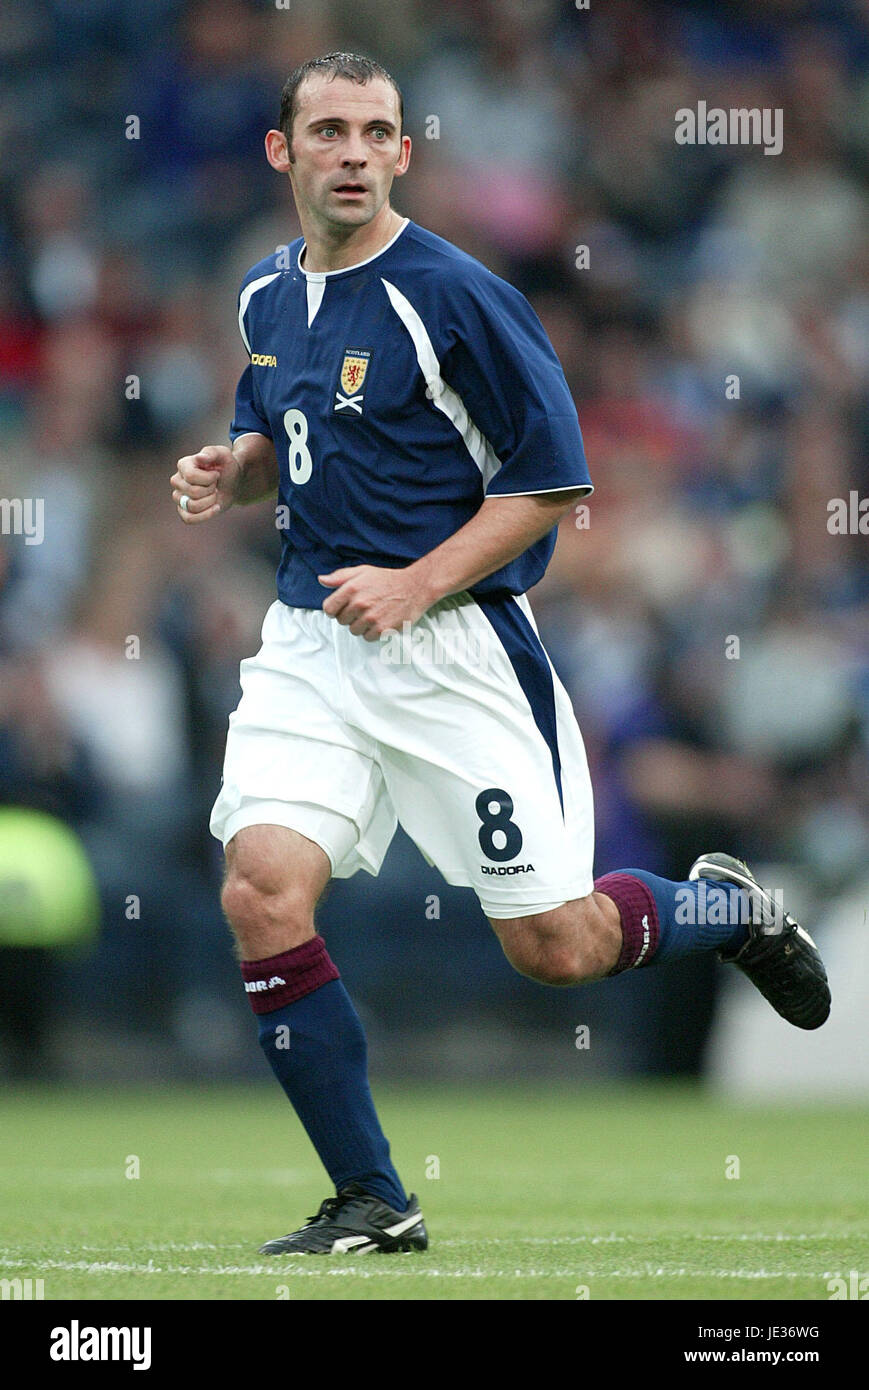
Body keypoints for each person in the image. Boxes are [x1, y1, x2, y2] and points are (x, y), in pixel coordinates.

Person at [170, 53, 830, 1256]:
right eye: (328, 131)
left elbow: (551, 482)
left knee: (555, 946)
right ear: (284, 153)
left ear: (404, 152)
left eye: (376, 132)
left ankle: (720, 907)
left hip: (454, 651)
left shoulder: (457, 293)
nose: (354, 153)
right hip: (309, 644)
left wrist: (416, 580)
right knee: (260, 888)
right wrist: (235, 468)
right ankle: (373, 1194)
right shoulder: (264, 293)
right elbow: (279, 419)